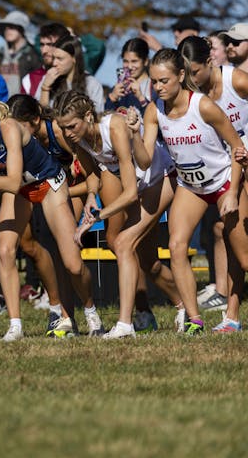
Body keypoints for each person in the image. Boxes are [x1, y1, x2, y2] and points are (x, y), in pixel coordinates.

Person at [0, 86, 99, 341]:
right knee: (5, 249)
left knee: (72, 264)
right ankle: (15, 325)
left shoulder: (9, 128)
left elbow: (8, 181)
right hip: (20, 189)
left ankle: (90, 311)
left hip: (48, 184)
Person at [54, 91, 183, 338]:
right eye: (63, 127)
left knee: (123, 243)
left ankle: (125, 324)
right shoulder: (78, 138)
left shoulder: (113, 127)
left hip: (161, 179)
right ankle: (184, 306)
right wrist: (92, 195)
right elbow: (93, 174)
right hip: (133, 182)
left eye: (72, 125)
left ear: (88, 116)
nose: (68, 132)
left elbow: (131, 193)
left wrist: (96, 216)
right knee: (148, 262)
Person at [138, 48, 248, 334]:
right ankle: (194, 320)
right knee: (176, 246)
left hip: (224, 181)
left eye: (164, 81)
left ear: (181, 76)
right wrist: (132, 133)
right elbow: (145, 159)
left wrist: (234, 192)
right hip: (191, 187)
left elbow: (238, 149)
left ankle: (232, 316)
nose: (158, 87)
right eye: (154, 81)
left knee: (245, 258)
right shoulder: (154, 110)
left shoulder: (203, 106)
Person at [179, 35, 248, 324]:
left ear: (210, 61)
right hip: (227, 169)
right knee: (226, 232)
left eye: (195, 72)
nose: (191, 80)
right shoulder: (194, 95)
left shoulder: (238, 81)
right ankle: (231, 314)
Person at [39, 34, 105, 113]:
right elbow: (42, 117)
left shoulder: (91, 84)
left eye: (60, 59)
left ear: (74, 58)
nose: (54, 63)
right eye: (54, 58)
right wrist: (45, 88)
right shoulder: (48, 79)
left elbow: (97, 117)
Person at [0, 11, 41, 97]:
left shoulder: (32, 55)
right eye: (5, 28)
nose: (8, 30)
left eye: (12, 27)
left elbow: (36, 84)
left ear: (22, 30)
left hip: (20, 105)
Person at [104, 38, 154, 114]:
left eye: (134, 61)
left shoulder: (155, 87)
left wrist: (141, 98)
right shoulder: (118, 88)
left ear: (146, 61)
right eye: (125, 61)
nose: (130, 66)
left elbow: (156, 119)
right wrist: (112, 99)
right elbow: (106, 120)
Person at [21, 23, 70, 98]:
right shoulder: (30, 80)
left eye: (50, 45)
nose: (44, 51)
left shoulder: (82, 79)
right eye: (42, 45)